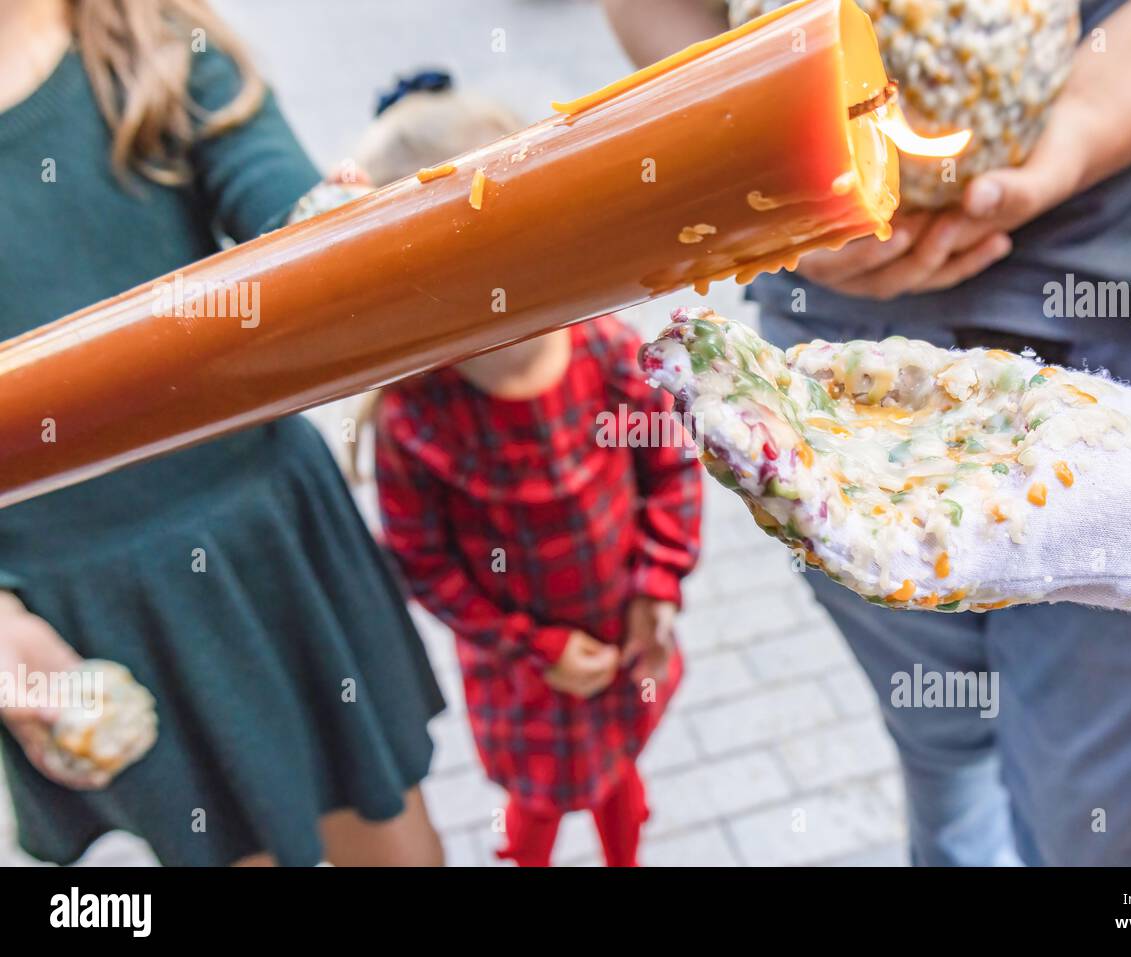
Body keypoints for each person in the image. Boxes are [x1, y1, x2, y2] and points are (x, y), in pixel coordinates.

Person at [602, 0, 1131, 864]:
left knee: (1102, 811)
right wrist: (772, 166)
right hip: (835, 344)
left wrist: (1083, 125)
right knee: (942, 735)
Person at [0, 0, 446, 866]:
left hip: (263, 533)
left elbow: (281, 201)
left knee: (387, 839)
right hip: (70, 602)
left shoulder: (146, 36)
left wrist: (330, 233)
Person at [356, 87, 703, 865]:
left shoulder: (610, 354)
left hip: (624, 630)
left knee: (619, 766)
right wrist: (535, 643)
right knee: (539, 796)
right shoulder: (416, 420)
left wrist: (658, 579)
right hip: (527, 670)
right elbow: (426, 564)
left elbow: (670, 466)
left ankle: (624, 849)